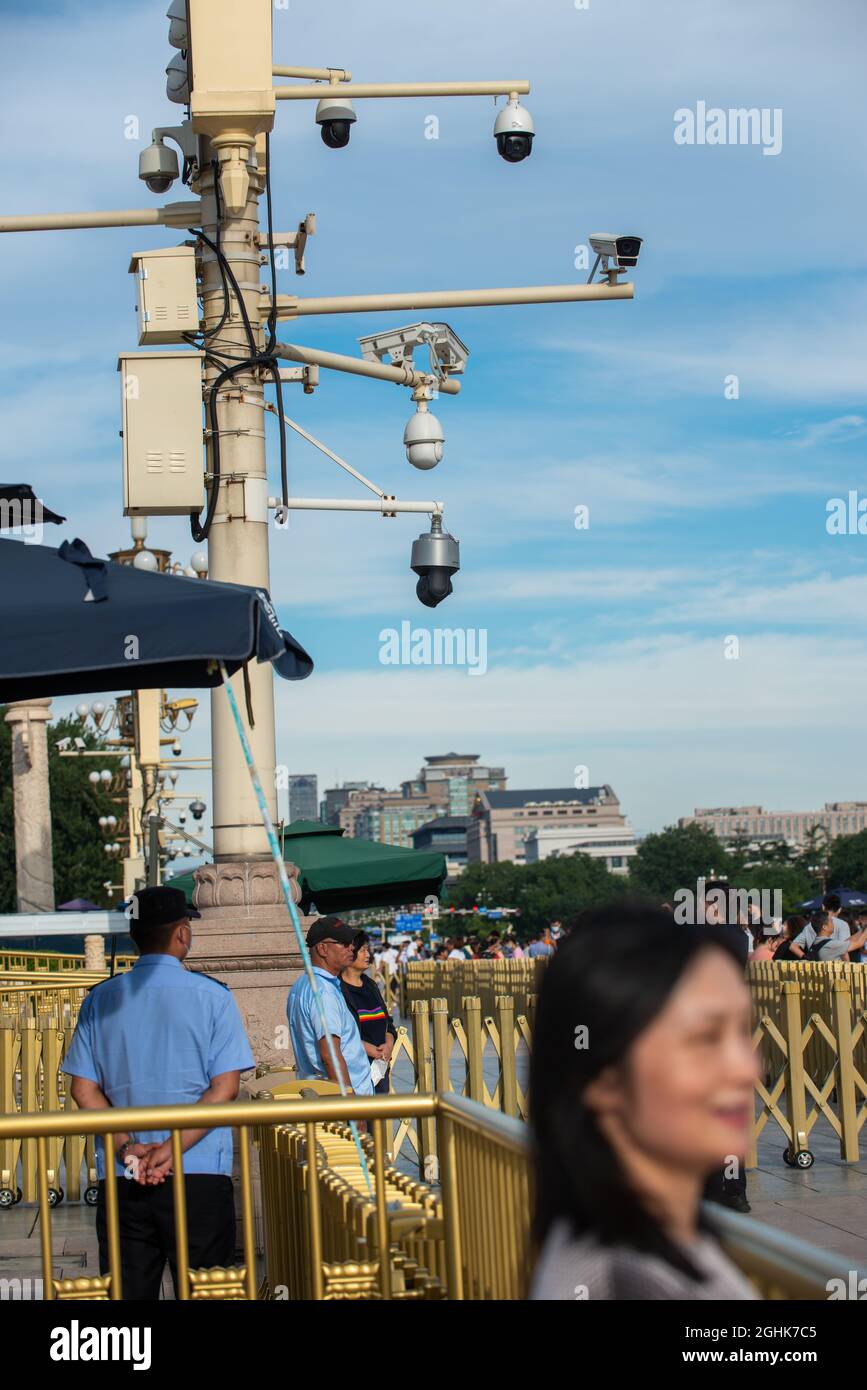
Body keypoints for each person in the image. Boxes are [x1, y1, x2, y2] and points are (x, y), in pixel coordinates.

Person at [529, 903, 759, 1300]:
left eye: (743, 1032)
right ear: (601, 1078)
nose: (747, 1069)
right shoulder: (631, 1282)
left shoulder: (652, 1243)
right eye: (705, 1039)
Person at [62, 886, 255, 1301]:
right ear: (182, 934)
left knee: (129, 1295)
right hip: (199, 1170)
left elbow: (84, 1090)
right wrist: (169, 1149)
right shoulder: (214, 998)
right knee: (207, 1291)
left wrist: (130, 1149)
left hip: (125, 1174)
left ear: (134, 936)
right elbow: (224, 1089)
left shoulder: (101, 999)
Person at [287, 917, 374, 1096]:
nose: (351, 947)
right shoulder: (323, 992)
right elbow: (330, 1055)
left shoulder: (303, 984)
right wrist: (350, 1106)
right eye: (343, 943)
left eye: (351, 943)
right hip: (342, 1099)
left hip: (322, 1093)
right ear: (322, 949)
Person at [340, 931, 397, 1093]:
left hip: (380, 1068)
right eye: (363, 950)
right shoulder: (339, 990)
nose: (368, 954)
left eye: (368, 950)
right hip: (355, 1072)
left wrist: (388, 1045)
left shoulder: (370, 985)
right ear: (349, 953)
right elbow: (341, 1034)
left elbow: (388, 1023)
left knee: (380, 1115)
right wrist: (372, 1051)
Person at [790, 893, 867, 961]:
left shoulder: (811, 926)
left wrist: (807, 959)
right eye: (831, 922)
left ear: (823, 907)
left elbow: (793, 946)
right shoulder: (841, 926)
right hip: (835, 970)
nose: (832, 923)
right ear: (839, 910)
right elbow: (846, 950)